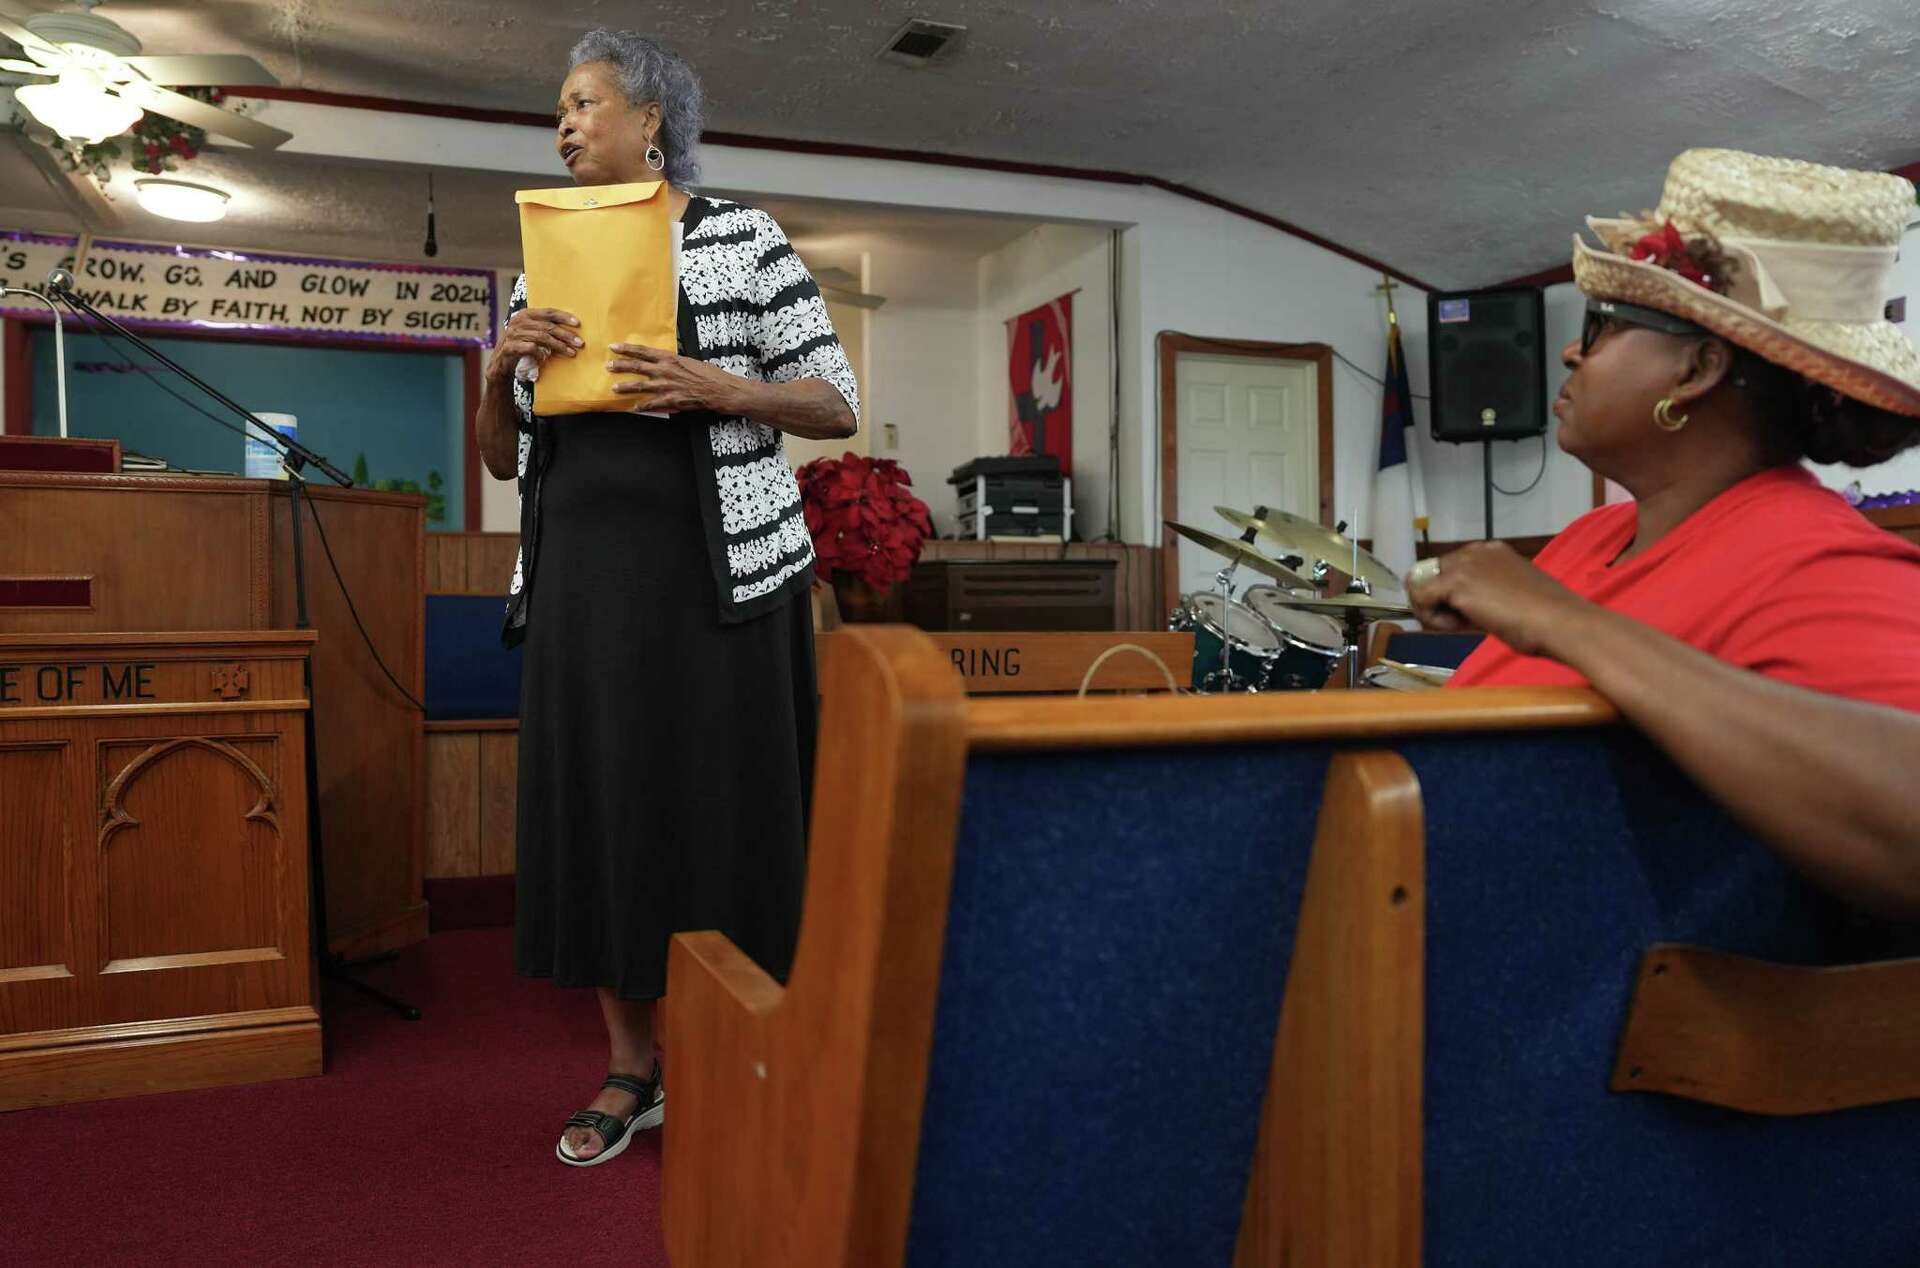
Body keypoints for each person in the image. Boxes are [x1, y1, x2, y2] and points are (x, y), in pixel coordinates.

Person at [472, 29, 858, 1166]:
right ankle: (630, 1067)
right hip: (580, 584)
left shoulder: (743, 236)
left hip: (719, 577)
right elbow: (501, 461)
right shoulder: (546, 267)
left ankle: (753, 1046)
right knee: (608, 811)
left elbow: (834, 402)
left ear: (653, 120)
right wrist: (501, 368)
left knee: (727, 809)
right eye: (559, 110)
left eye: (584, 103)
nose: (563, 125)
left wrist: (715, 384)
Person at [1407, 147, 1920, 915]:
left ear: (1697, 371)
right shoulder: (1593, 535)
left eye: (1605, 325)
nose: (1574, 350)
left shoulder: (1814, 556)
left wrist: (1554, 618)